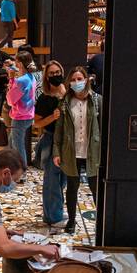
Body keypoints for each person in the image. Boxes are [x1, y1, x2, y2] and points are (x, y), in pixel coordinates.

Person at [53, 67, 101, 233]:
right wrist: (56, 152)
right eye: (73, 80)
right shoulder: (65, 102)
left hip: (92, 151)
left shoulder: (96, 100)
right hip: (71, 151)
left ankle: (101, 221)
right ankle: (72, 221)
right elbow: (58, 129)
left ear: (86, 79)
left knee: (96, 187)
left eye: (79, 78)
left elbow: (103, 127)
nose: (76, 82)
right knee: (72, 188)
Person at [34, 60, 68, 228]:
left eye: (58, 72)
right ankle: (52, 217)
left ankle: (56, 210)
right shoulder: (44, 98)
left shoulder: (68, 93)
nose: (55, 75)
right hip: (51, 139)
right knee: (52, 180)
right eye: (52, 73)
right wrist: (52, 118)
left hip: (67, 142)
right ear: (46, 76)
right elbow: (37, 123)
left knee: (63, 179)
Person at [4, 55, 35, 173]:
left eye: (16, 62)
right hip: (28, 115)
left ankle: (22, 171)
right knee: (12, 142)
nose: (14, 64)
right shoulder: (30, 77)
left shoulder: (21, 80)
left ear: (20, 64)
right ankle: (12, 167)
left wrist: (11, 79)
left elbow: (10, 100)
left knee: (18, 145)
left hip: (20, 117)